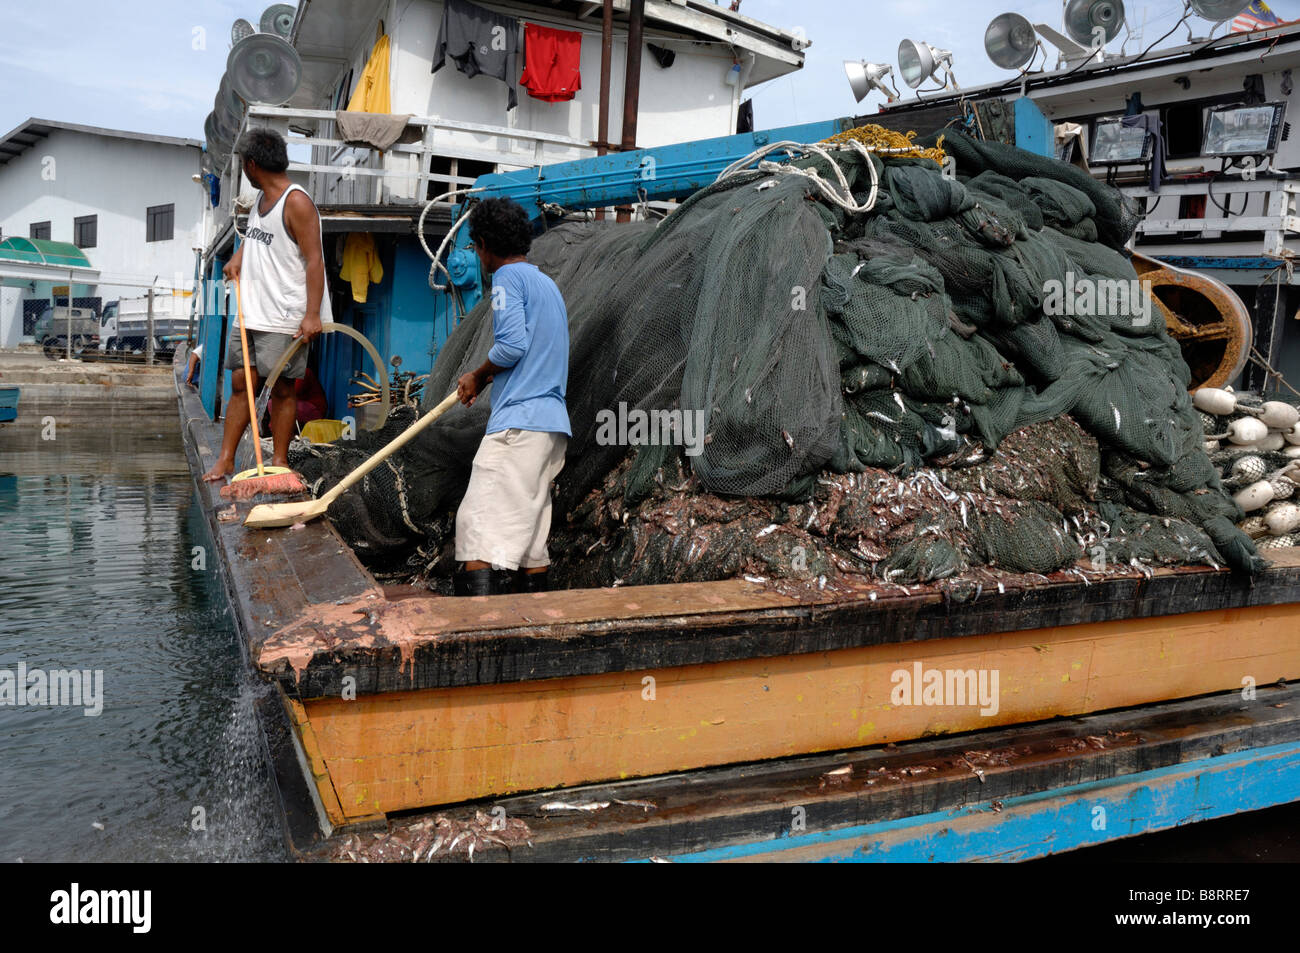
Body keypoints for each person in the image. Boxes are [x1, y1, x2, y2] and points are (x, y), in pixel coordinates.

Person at [454, 198, 570, 596]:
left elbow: (510, 346)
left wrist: (479, 375)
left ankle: (475, 647)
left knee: (477, 527)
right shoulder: (547, 285)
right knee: (531, 544)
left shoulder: (506, 279)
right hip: (551, 429)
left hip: (519, 425)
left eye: (476, 247)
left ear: (484, 244)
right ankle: (532, 635)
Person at [202, 128, 330, 482]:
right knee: (242, 382)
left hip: (284, 315)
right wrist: (239, 257)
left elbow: (315, 260)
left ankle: (280, 462)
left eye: (243, 164)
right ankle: (226, 459)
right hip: (251, 312)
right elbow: (259, 238)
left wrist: (311, 315)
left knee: (284, 388)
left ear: (252, 164)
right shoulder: (260, 200)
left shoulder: (296, 202)